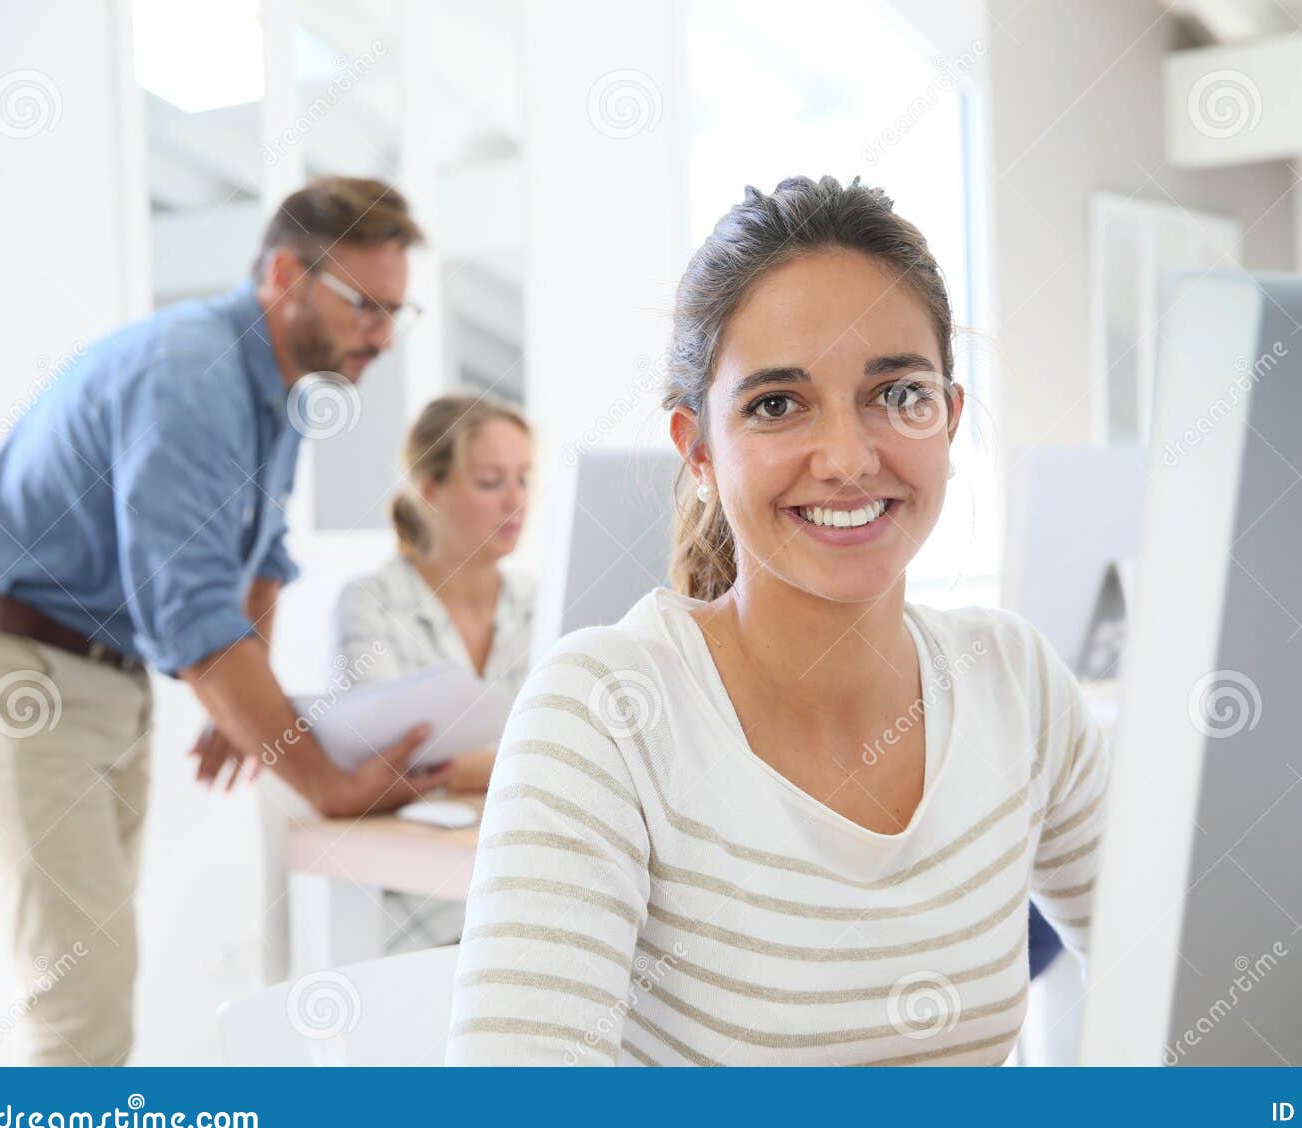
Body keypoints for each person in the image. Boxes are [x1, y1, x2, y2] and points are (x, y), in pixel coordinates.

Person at [446, 176, 1108, 1067]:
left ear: (950, 420)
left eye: (897, 393)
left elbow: (1189, 966)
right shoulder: (603, 714)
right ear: (700, 450)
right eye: (776, 404)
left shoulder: (1014, 682)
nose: (846, 456)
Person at [0, 177, 451, 1067]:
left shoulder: (275, 384)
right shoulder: (191, 376)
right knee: (78, 1000)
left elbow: (262, 553)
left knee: (93, 981)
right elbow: (190, 605)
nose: (383, 334)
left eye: (397, 311)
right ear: (284, 274)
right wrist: (324, 783)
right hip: (27, 672)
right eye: (365, 305)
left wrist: (243, 697)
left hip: (101, 680)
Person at [333, 394, 538, 796]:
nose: (515, 502)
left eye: (523, 479)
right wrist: (531, 763)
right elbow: (384, 762)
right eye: (490, 482)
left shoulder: (539, 603)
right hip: (409, 843)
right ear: (429, 489)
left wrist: (464, 769)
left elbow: (578, 747)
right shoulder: (370, 603)